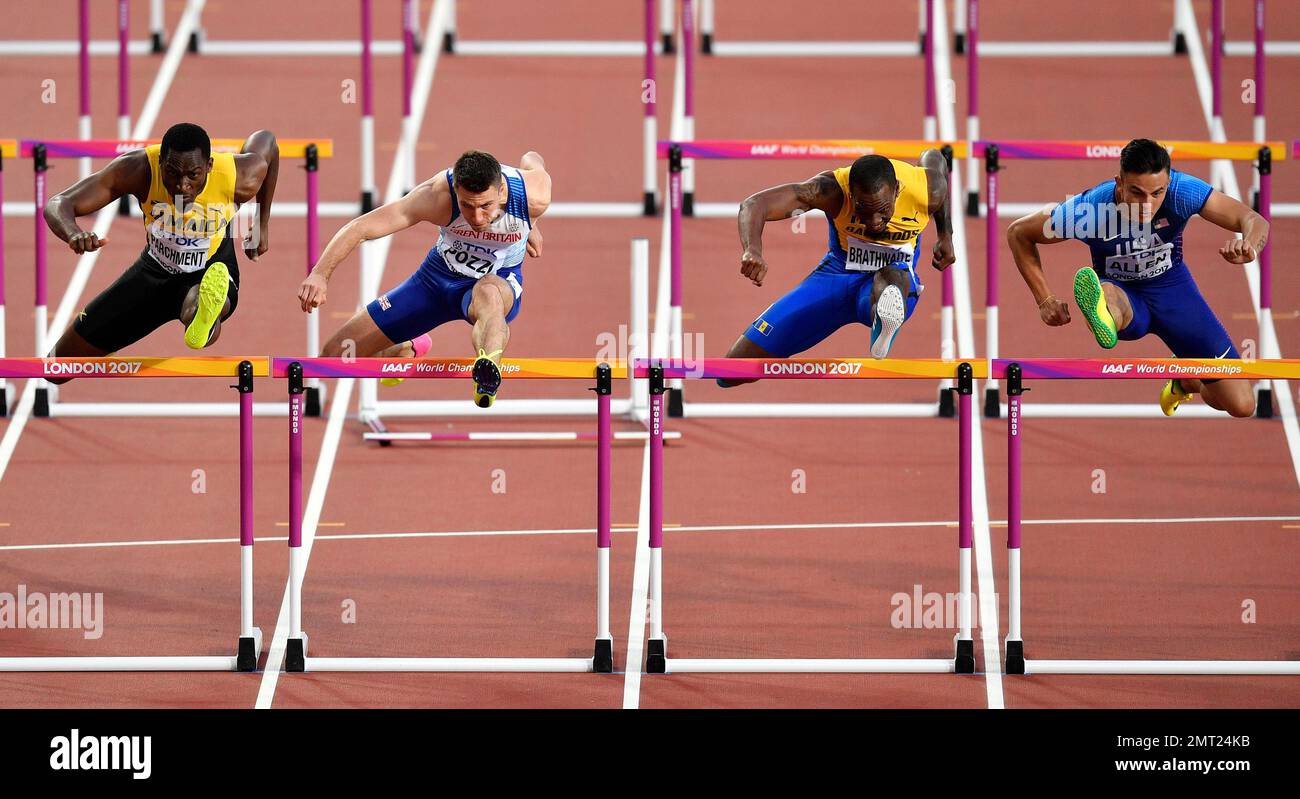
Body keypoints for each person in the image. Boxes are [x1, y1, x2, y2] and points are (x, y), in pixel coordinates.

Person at [1006, 138, 1267, 417]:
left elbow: (1253, 220)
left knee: (1241, 405)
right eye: (1137, 192)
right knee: (1108, 300)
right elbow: (1019, 232)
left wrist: (1249, 244)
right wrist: (1044, 299)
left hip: (1174, 292)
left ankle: (1186, 379)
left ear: (1168, 183)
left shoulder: (1182, 192)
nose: (1147, 204)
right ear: (1119, 183)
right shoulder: (1090, 210)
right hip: (1124, 293)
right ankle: (1103, 316)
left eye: (1157, 193)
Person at [298, 150, 550, 408]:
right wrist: (320, 274)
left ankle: (487, 375)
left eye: (485, 206)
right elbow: (361, 228)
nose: (476, 218)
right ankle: (402, 349)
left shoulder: (534, 195)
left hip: (496, 281)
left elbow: (532, 158)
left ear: (501, 192)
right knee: (332, 358)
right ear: (455, 189)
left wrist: (532, 221)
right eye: (467, 206)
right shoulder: (436, 196)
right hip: (436, 280)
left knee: (488, 292)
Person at [42, 122, 278, 383]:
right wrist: (73, 233)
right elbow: (58, 203)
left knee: (196, 306)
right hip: (152, 273)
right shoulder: (138, 169)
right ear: (160, 163)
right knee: (58, 367)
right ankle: (202, 313)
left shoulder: (238, 175)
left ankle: (205, 314)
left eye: (193, 175)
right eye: (173, 173)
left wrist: (262, 222)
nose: (182, 186)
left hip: (210, 268)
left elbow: (266, 141)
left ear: (209, 166)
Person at [717, 151, 954, 387]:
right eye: (863, 210)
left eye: (883, 210)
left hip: (892, 282)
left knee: (892, 276)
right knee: (734, 369)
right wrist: (753, 250)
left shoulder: (927, 189)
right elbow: (755, 204)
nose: (873, 222)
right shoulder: (830, 190)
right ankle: (881, 318)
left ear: (897, 191)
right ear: (851, 194)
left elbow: (934, 157)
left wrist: (946, 234)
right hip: (836, 276)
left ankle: (883, 322)